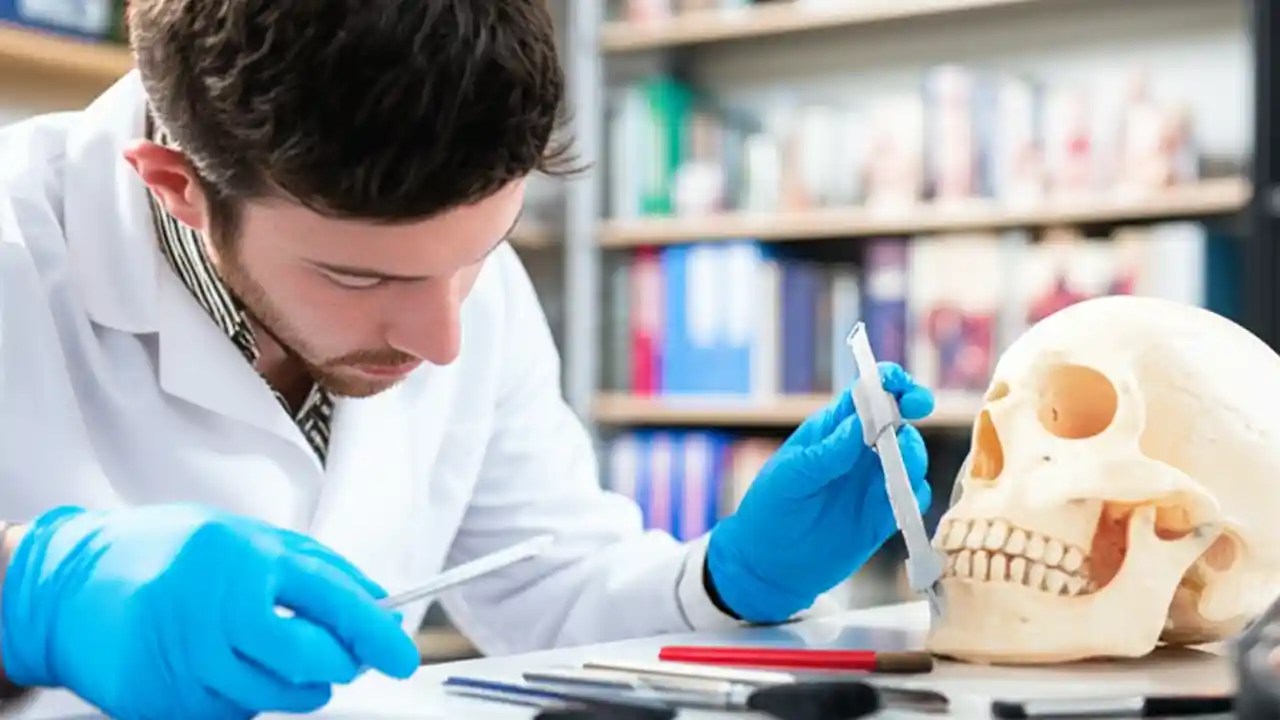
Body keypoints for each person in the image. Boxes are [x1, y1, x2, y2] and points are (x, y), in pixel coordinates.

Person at [0, 2, 935, 718]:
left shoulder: (452, 288)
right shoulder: (15, 241)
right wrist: (27, 598)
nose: (442, 339)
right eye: (357, 276)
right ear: (180, 189)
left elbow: (549, 584)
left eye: (481, 253)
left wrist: (727, 581)